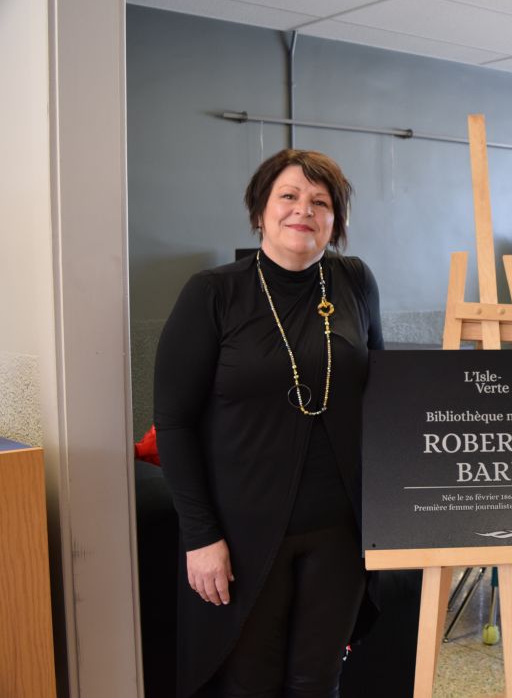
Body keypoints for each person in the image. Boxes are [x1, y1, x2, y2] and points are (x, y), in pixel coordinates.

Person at [154, 149, 383, 697]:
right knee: (249, 683)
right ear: (260, 210)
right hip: (242, 532)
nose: (304, 210)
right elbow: (174, 424)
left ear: (335, 220)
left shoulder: (354, 281)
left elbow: (380, 394)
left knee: (318, 681)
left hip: (339, 530)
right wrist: (201, 536)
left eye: (321, 202)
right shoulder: (213, 293)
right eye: (289, 196)